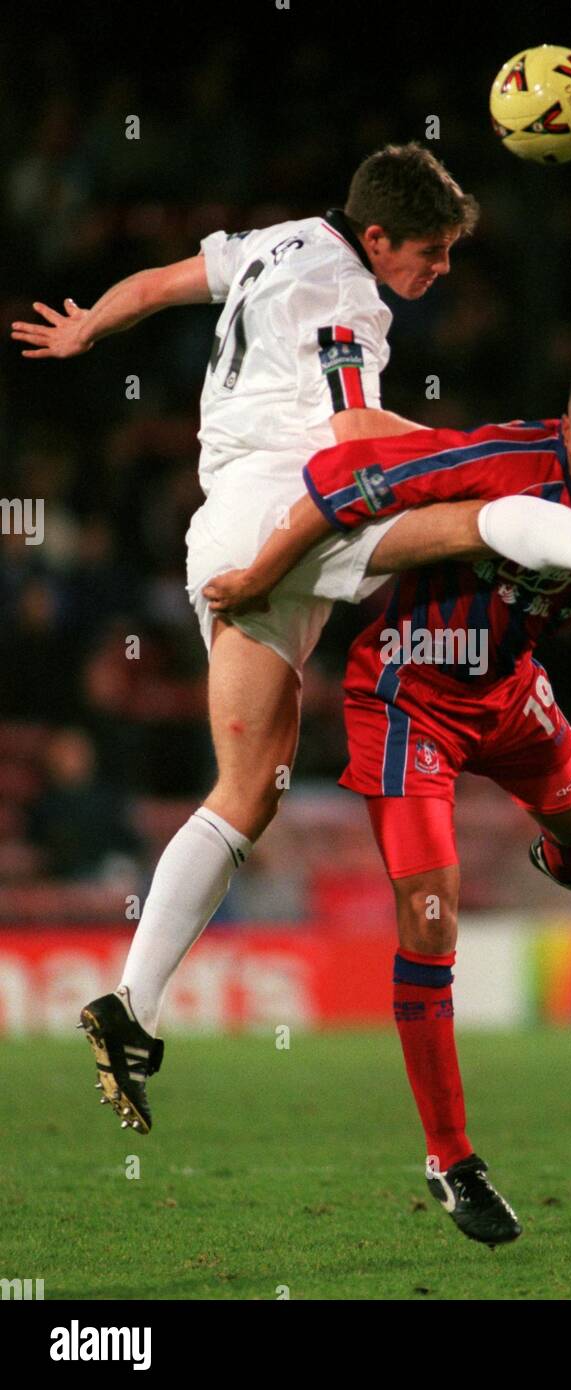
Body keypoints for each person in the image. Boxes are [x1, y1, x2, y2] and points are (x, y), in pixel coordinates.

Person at [208, 360, 571, 1245]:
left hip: (506, 689)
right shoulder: (499, 460)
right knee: (431, 918)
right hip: (403, 697)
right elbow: (343, 484)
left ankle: (569, 860)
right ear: (564, 426)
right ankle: (452, 1160)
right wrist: (262, 573)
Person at [12, 142, 481, 1132]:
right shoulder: (347, 297)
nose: (439, 272)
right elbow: (358, 440)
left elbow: (159, 283)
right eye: (431, 253)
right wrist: (485, 450)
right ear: (381, 236)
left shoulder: (277, 241)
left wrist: (90, 323)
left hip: (222, 517)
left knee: (245, 790)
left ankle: (127, 1008)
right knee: (481, 518)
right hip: (289, 507)